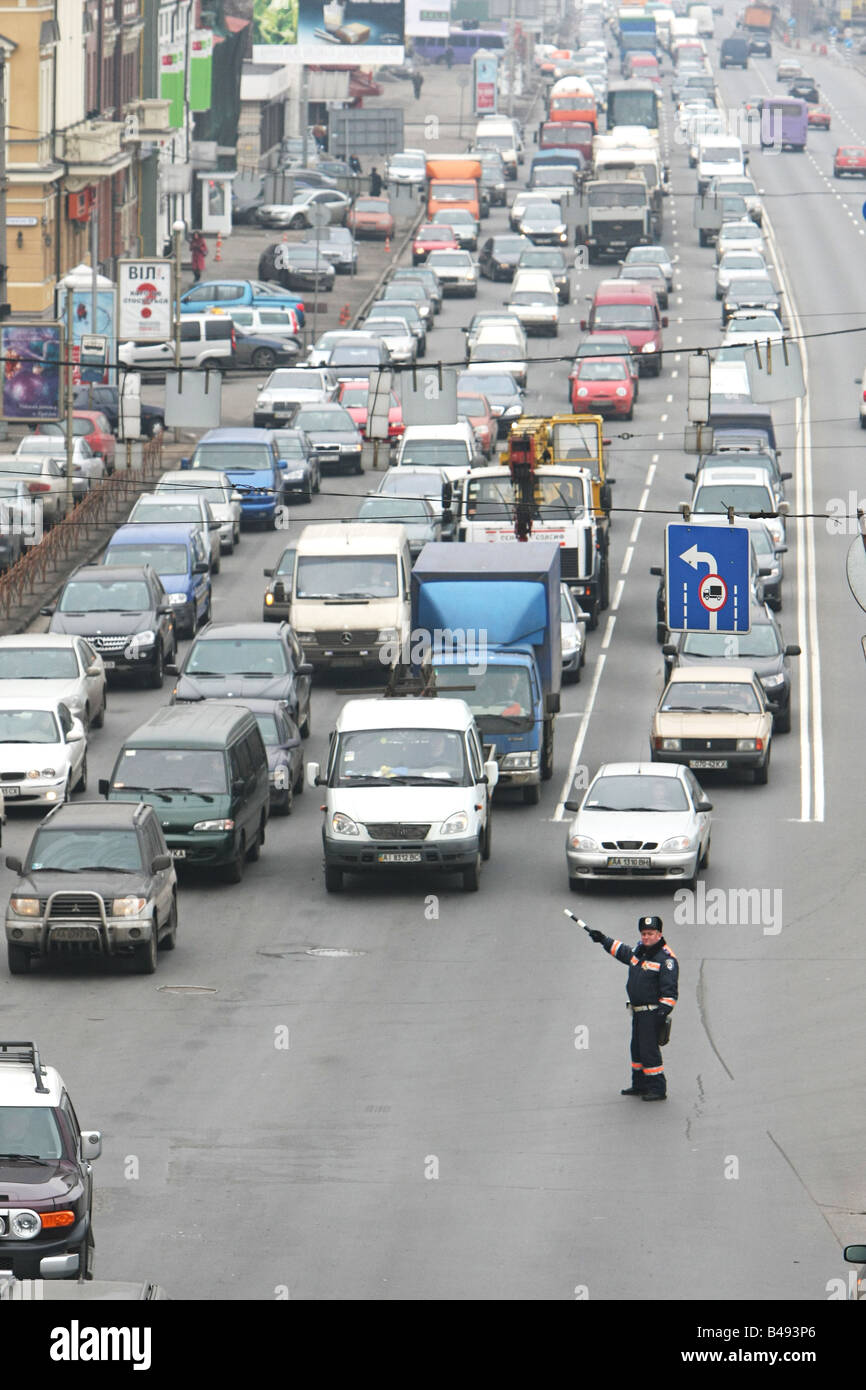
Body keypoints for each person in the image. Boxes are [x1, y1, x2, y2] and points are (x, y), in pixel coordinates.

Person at [584, 915, 679, 1101]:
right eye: (643, 934)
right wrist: (603, 939)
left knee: (649, 1050)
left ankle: (658, 1089)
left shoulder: (666, 959)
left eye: (650, 934)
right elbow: (624, 952)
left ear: (659, 934)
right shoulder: (640, 951)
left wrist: (660, 1015)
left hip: (651, 1013)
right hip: (637, 1011)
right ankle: (640, 1085)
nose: (646, 937)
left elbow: (670, 993)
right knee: (636, 1049)